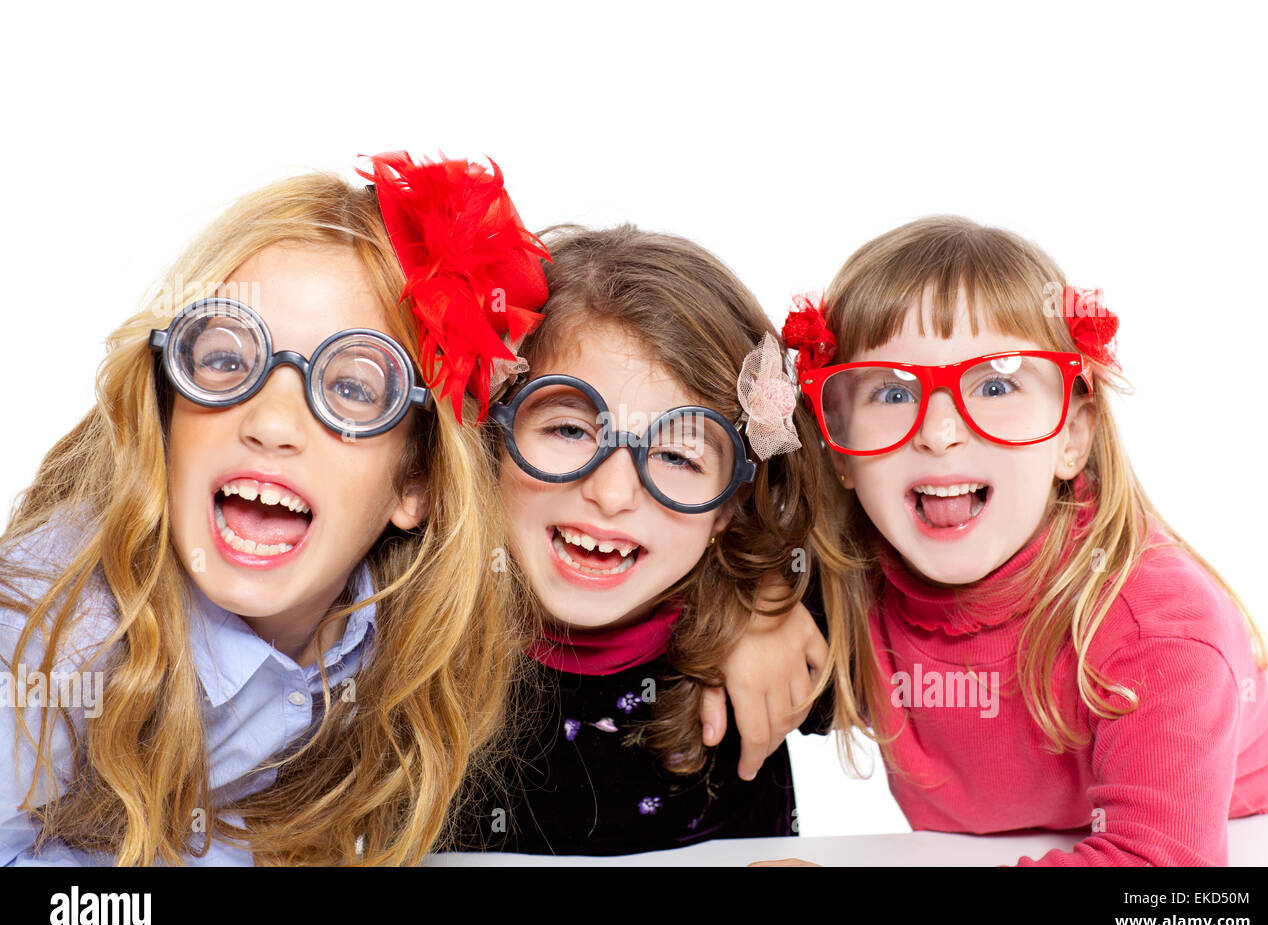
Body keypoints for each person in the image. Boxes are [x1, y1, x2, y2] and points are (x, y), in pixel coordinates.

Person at [0, 152, 544, 865]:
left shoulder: (398, 634)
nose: (273, 423)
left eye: (352, 388)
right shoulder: (47, 632)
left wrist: (742, 615)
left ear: (415, 486)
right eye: (226, 360)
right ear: (166, 420)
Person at [781, 215, 1268, 865]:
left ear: (1072, 435)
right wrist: (751, 627)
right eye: (891, 389)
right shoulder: (853, 580)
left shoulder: (1156, 623)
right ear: (840, 449)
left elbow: (1160, 880)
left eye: (996, 384)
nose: (939, 431)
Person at [454, 225, 830, 854]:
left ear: (729, 504)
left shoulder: (786, 625)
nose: (613, 492)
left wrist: (769, 606)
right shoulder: (403, 628)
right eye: (570, 430)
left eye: (679, 457)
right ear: (491, 439)